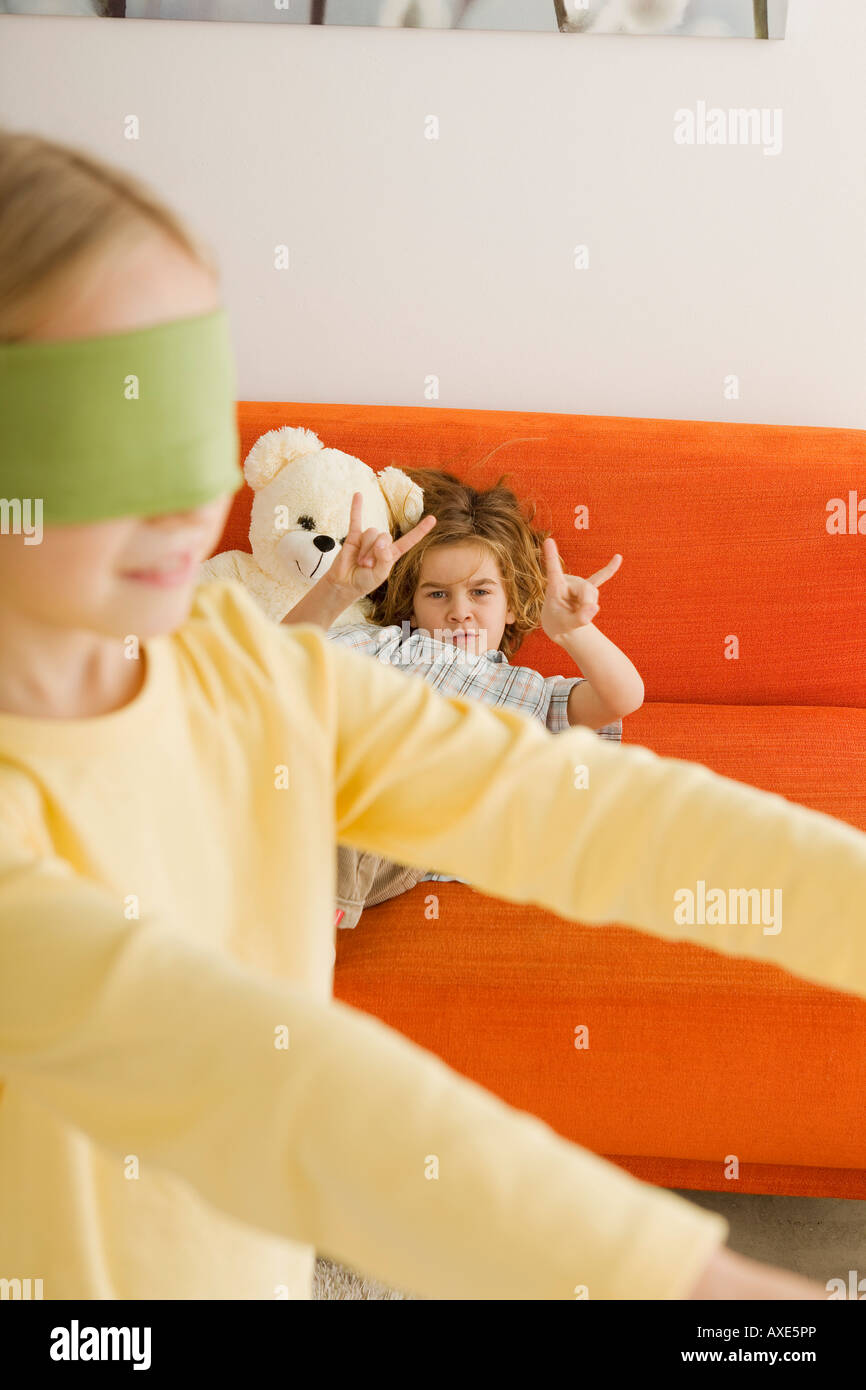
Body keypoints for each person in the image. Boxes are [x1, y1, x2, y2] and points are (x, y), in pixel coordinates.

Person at [1, 127, 852, 1301]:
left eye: (185, 416)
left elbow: (580, 808)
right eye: (102, 426)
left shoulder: (243, 672)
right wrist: (706, 1293)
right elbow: (293, 1094)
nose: (175, 497)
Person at [284, 481, 636, 928]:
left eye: (480, 592)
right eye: (437, 594)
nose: (459, 611)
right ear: (411, 607)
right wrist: (335, 591)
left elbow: (621, 697)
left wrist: (573, 632)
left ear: (512, 605)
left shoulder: (527, 691)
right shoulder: (382, 644)